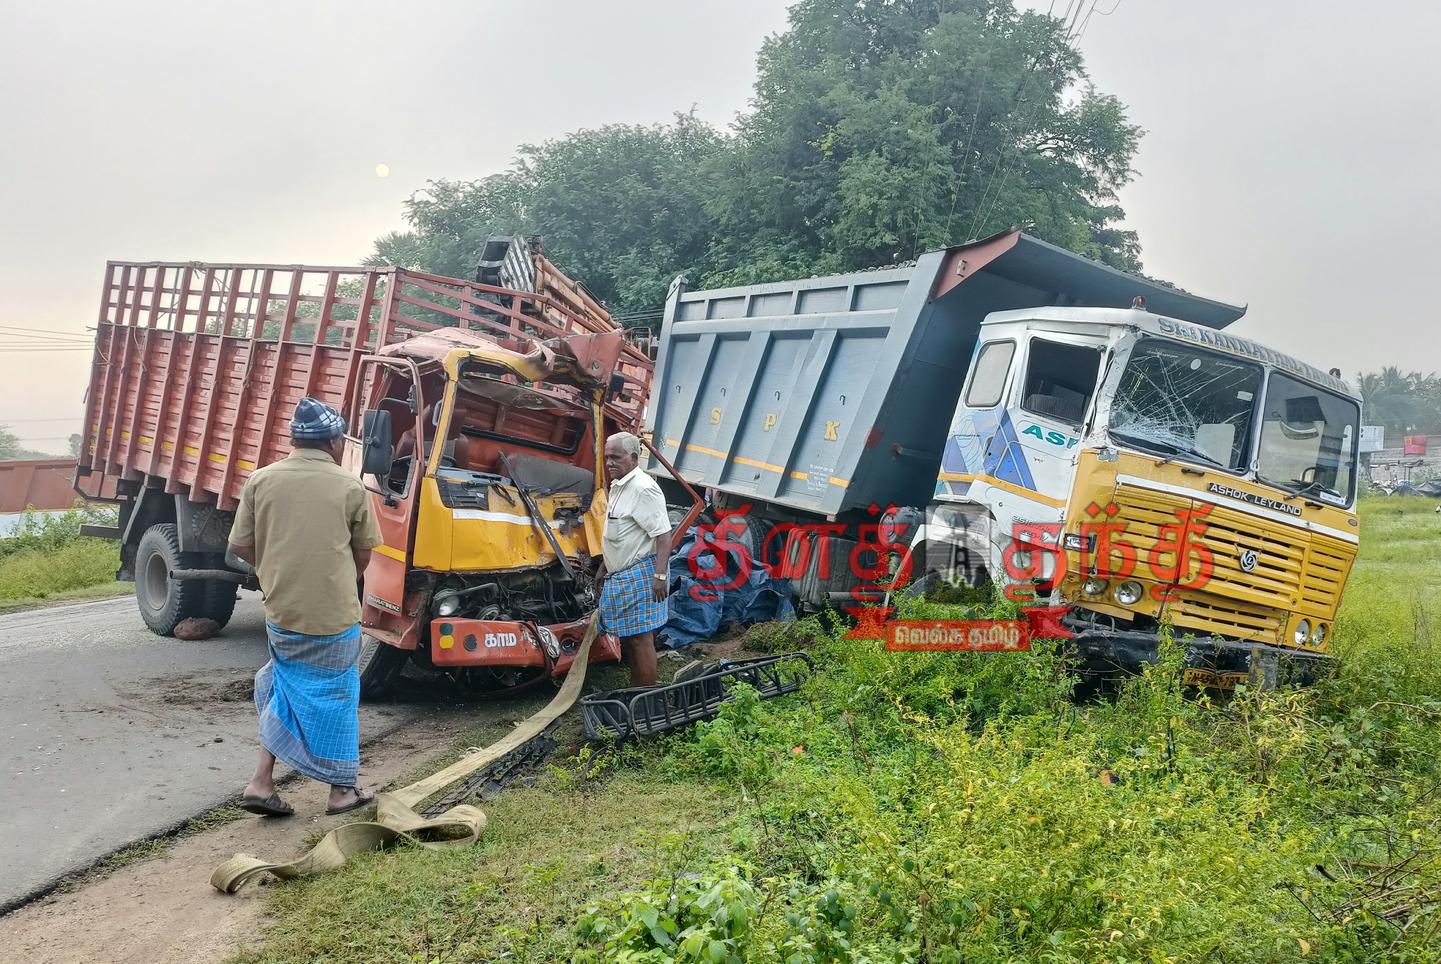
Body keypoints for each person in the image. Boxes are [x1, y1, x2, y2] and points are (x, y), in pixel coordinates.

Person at [228, 397, 383, 817]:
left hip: (282, 612)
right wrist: (338, 579)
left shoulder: (260, 480)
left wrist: (274, 569)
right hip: (333, 616)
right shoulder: (349, 486)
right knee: (337, 695)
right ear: (334, 442)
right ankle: (341, 790)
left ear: (294, 440)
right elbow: (364, 553)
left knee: (283, 684)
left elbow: (240, 544)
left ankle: (261, 781)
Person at [597, 432, 672, 686]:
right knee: (631, 637)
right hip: (622, 575)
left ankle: (645, 697)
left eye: (615, 458)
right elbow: (619, 535)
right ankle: (637, 692)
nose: (609, 463)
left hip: (642, 574)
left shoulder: (643, 488)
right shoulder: (619, 485)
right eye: (607, 457)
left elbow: (664, 536)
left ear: (633, 458)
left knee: (640, 639)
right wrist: (604, 566)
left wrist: (659, 576)